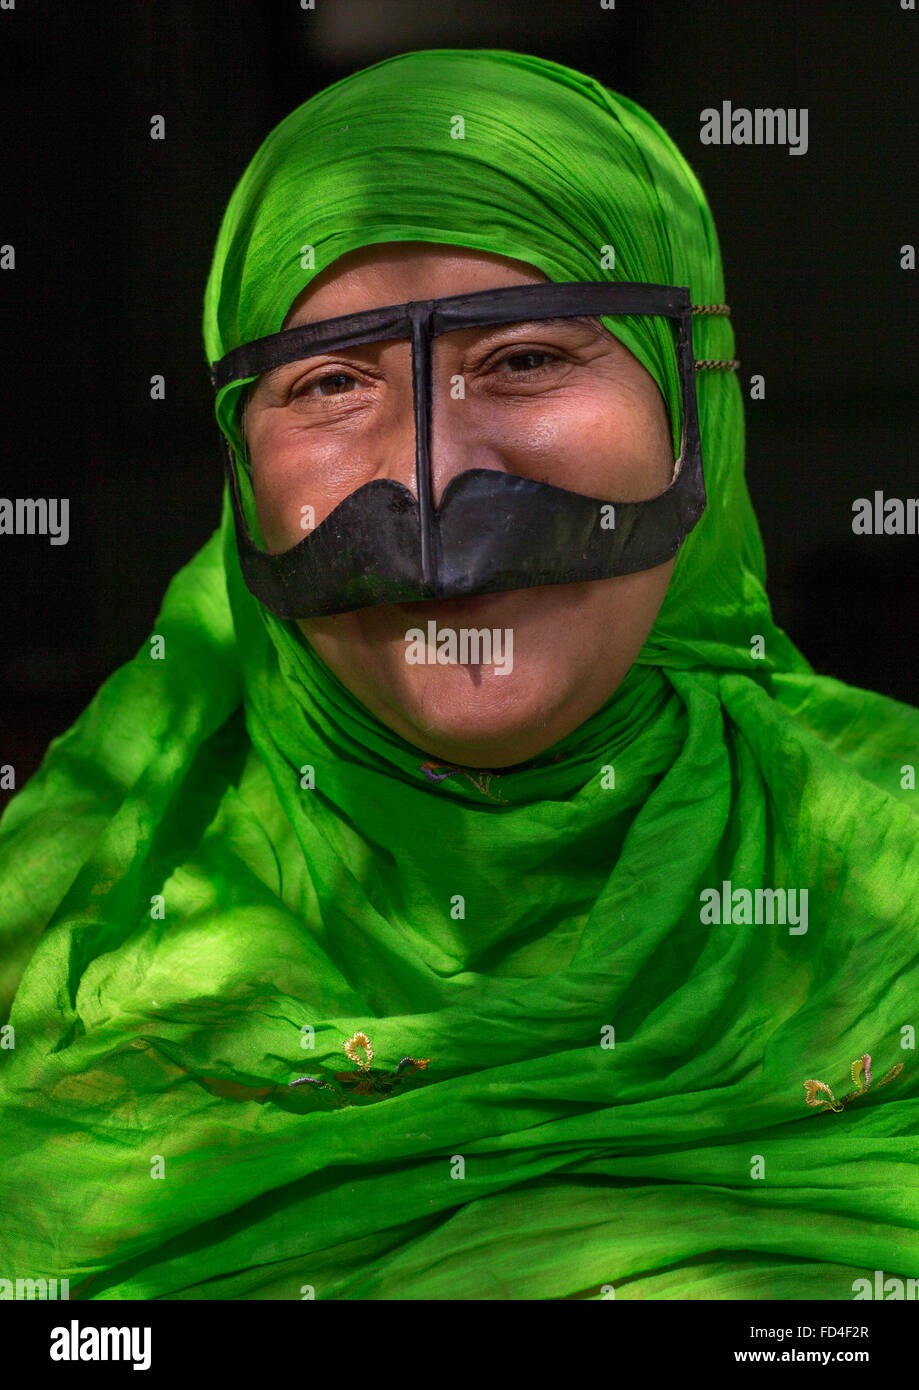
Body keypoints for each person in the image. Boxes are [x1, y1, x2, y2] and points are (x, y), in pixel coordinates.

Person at [1, 48, 917, 1302]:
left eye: (527, 358)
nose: (425, 487)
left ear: (693, 404)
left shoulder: (892, 868)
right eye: (328, 383)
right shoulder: (60, 946)